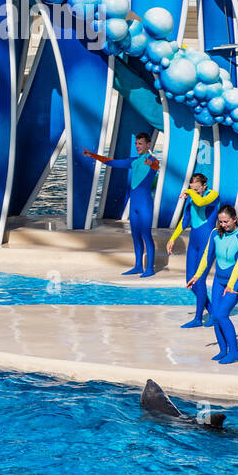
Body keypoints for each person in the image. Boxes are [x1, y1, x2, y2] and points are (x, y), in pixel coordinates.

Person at [83, 132, 161, 277]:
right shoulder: (134, 161)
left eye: (140, 143)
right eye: (136, 144)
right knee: (135, 236)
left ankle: (149, 268)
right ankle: (138, 266)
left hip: (145, 205)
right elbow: (112, 162)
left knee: (146, 235)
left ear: (148, 145)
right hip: (134, 207)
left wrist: (151, 163)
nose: (137, 146)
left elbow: (156, 165)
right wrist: (92, 155)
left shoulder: (152, 160)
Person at [187, 204, 238, 364]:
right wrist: (197, 276)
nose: (223, 225)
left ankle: (234, 352)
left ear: (235, 219)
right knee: (215, 315)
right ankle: (223, 350)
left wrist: (231, 285)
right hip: (218, 281)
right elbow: (207, 256)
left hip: (234, 282)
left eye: (226, 222)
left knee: (222, 314)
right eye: (220, 222)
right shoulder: (215, 234)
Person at [166, 173, 220, 328]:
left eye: (197, 189)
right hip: (194, 243)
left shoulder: (213, 195)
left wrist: (189, 192)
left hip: (208, 243)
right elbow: (185, 219)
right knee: (190, 281)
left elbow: (201, 202)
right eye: (192, 189)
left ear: (204, 186)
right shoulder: (192, 196)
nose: (195, 192)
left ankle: (198, 318)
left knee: (200, 280)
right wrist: (173, 238)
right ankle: (212, 311)